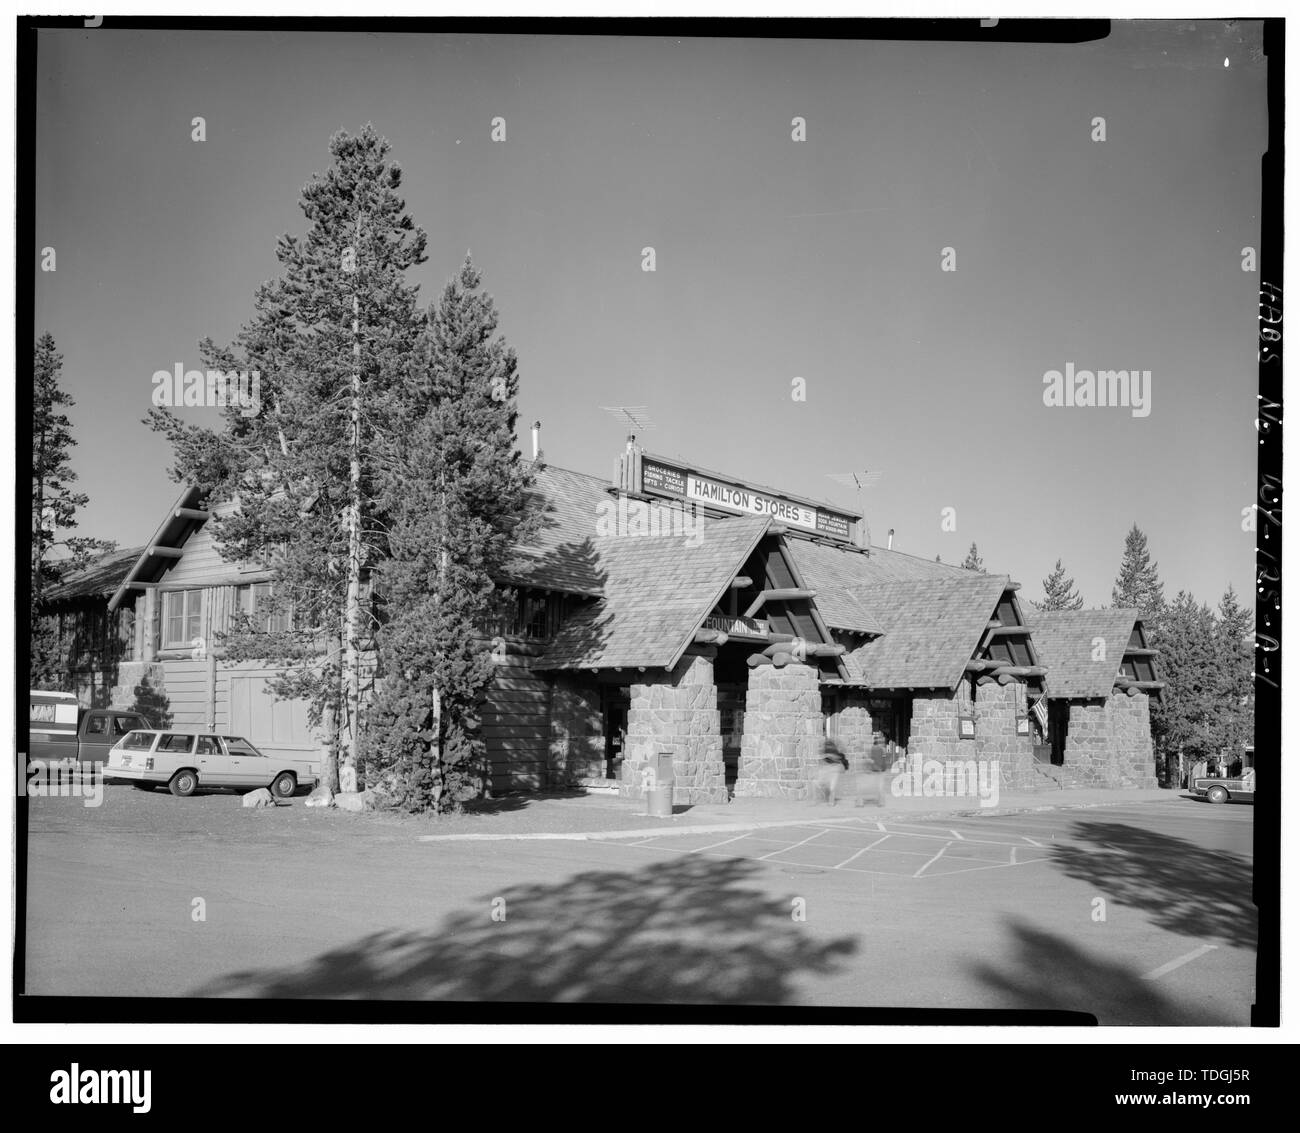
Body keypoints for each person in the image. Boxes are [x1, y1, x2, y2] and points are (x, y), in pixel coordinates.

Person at [816, 738, 850, 806]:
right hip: (829, 769)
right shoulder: (826, 750)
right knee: (824, 784)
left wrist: (829, 756)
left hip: (834, 769)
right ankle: (829, 800)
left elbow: (837, 758)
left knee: (832, 787)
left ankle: (831, 802)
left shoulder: (834, 751)